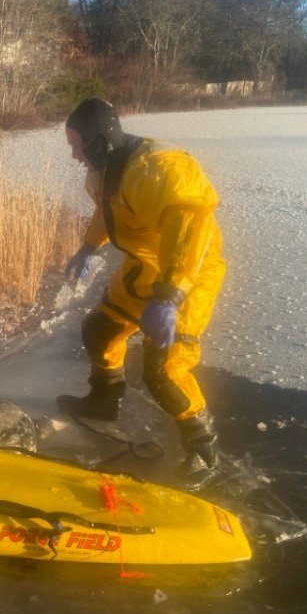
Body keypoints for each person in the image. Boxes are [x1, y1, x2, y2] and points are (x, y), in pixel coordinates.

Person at [57, 98, 227, 488]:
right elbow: (107, 212)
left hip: (188, 274)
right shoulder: (103, 172)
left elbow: (190, 229)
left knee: (164, 370)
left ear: (99, 142)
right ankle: (105, 399)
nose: (73, 155)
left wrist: (170, 296)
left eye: (77, 146)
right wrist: (89, 247)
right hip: (144, 268)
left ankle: (203, 446)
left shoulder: (161, 170)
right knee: (100, 331)